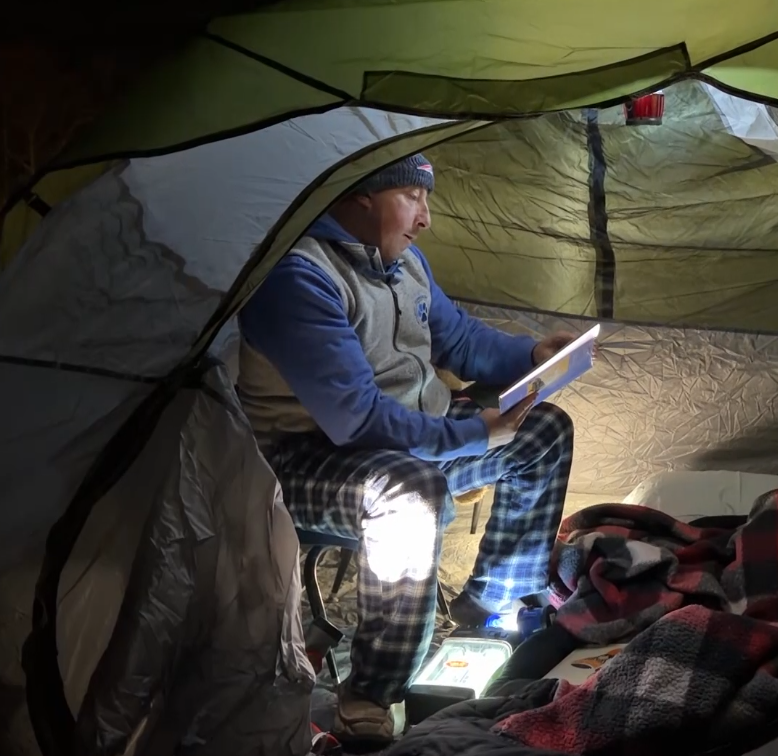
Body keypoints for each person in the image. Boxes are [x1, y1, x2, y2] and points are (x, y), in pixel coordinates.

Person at [235, 153, 579, 742]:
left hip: (407, 438)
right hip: (300, 461)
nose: (425, 218)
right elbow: (358, 420)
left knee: (542, 431)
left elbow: (461, 341)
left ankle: (489, 611)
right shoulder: (299, 278)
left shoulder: (403, 264)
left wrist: (530, 356)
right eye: (412, 198)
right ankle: (371, 690)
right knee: (409, 493)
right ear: (361, 196)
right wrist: (474, 433)